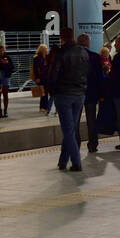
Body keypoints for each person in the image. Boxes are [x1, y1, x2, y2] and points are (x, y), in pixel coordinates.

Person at [50, 27, 89, 171]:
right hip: (80, 95)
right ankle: (63, 161)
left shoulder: (61, 53)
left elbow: (54, 74)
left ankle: (76, 162)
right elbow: (87, 72)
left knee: (68, 131)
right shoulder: (83, 52)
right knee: (71, 129)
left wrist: (53, 91)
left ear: (62, 37)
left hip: (64, 94)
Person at [77, 32, 105, 153]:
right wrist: (101, 94)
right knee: (91, 120)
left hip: (76, 93)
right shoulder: (95, 57)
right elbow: (99, 77)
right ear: (88, 43)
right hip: (92, 93)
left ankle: (75, 144)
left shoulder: (73, 57)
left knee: (75, 121)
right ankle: (93, 144)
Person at [105, 34, 120, 151]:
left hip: (119, 92)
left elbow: (114, 76)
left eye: (117, 43)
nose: (115, 45)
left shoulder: (118, 58)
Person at [0, 45, 15, 119]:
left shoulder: (7, 57)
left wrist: (7, 63)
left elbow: (12, 67)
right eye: (0, 50)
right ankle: (0, 111)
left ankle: (5, 111)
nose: (2, 52)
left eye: (3, 50)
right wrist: (1, 63)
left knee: (5, 94)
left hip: (5, 76)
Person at [32, 44, 52, 115]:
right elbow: (35, 69)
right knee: (43, 92)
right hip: (41, 77)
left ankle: (44, 107)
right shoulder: (37, 58)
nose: (47, 50)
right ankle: (43, 107)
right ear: (43, 50)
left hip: (46, 77)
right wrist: (37, 77)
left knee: (45, 92)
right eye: (46, 48)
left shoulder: (46, 57)